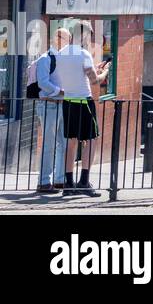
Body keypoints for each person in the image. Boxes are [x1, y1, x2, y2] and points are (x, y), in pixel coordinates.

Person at [57, 23, 111, 197]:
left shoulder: (61, 53)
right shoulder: (84, 54)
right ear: (84, 35)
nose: (89, 40)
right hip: (84, 101)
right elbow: (94, 81)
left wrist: (93, 70)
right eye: (88, 36)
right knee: (91, 140)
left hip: (68, 101)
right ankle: (84, 181)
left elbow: (75, 74)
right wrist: (105, 72)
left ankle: (68, 183)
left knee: (71, 142)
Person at [31, 27, 69, 194]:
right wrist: (60, 91)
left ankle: (60, 180)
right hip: (49, 105)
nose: (67, 43)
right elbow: (43, 83)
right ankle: (44, 182)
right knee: (49, 144)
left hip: (62, 105)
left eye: (69, 40)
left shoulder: (64, 59)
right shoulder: (46, 58)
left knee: (64, 143)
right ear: (56, 38)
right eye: (65, 39)